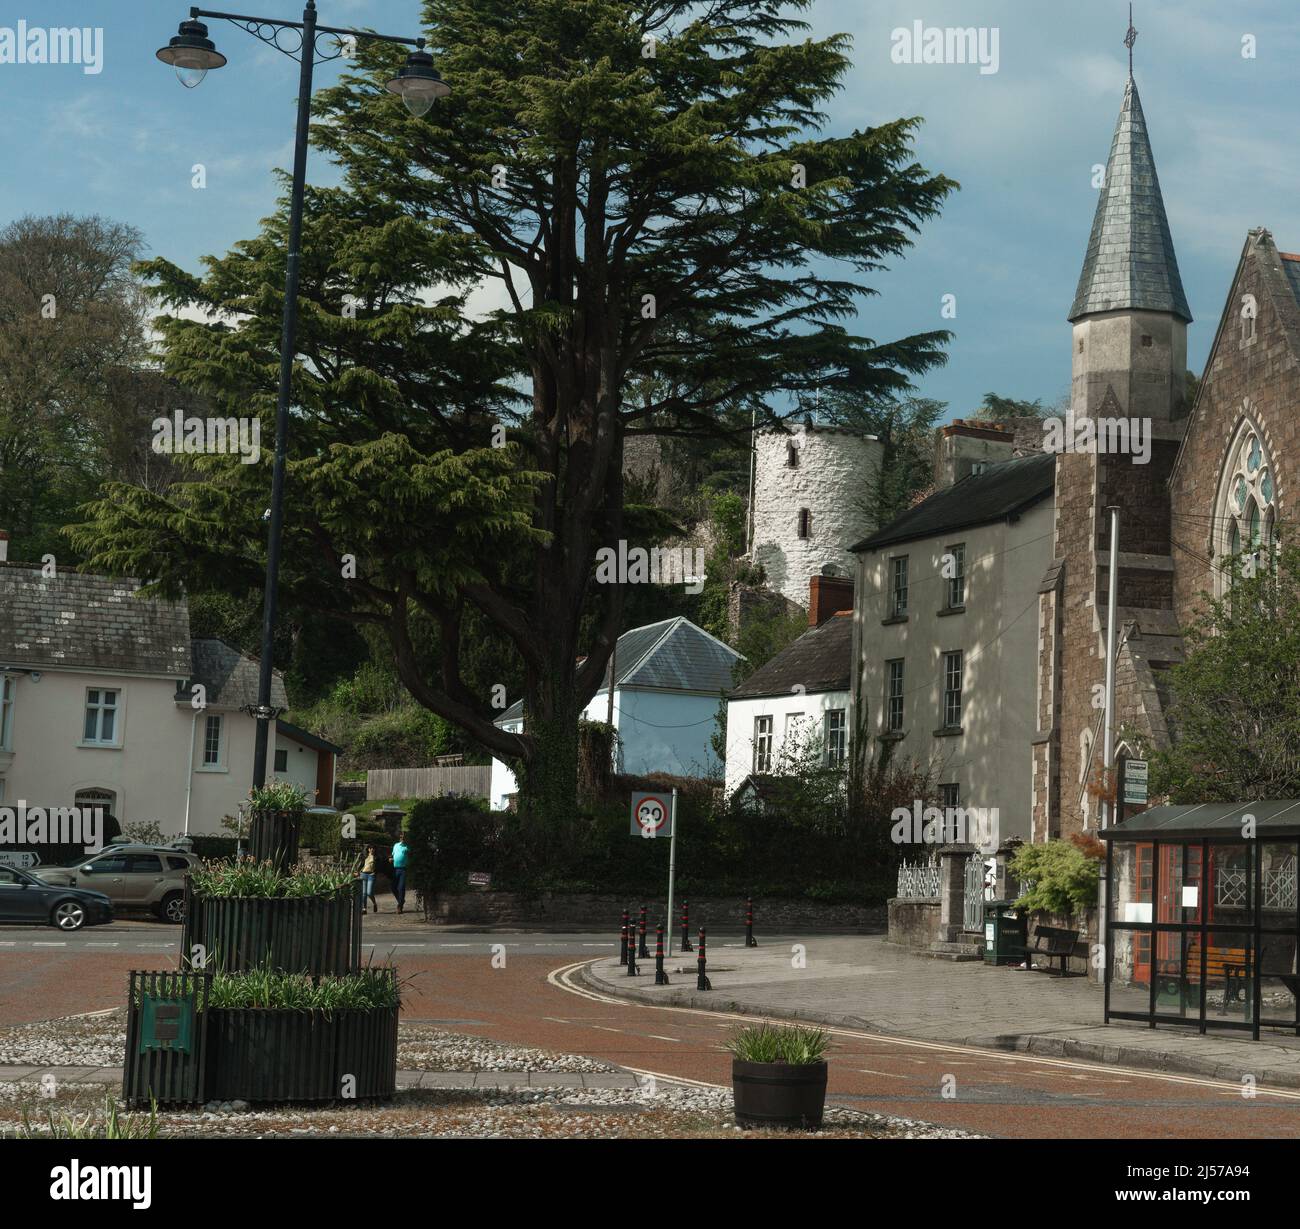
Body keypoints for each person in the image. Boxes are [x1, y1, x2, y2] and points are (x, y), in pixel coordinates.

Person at [391, 833, 409, 915]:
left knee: (401, 888)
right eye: (401, 836)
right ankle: (401, 900)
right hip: (395, 869)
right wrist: (390, 858)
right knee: (393, 887)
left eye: (404, 837)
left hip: (403, 869)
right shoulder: (395, 845)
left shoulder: (407, 847)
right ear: (399, 837)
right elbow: (392, 855)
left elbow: (411, 856)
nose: (402, 838)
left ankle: (400, 906)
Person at [360, 845, 378, 913]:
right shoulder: (364, 856)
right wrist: (358, 872)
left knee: (369, 893)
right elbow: (361, 865)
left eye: (373, 848)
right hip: (363, 874)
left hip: (371, 875)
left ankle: (374, 903)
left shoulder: (376, 857)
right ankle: (364, 908)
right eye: (370, 848)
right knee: (364, 893)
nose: (372, 849)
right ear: (368, 849)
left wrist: (375, 873)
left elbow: (379, 867)